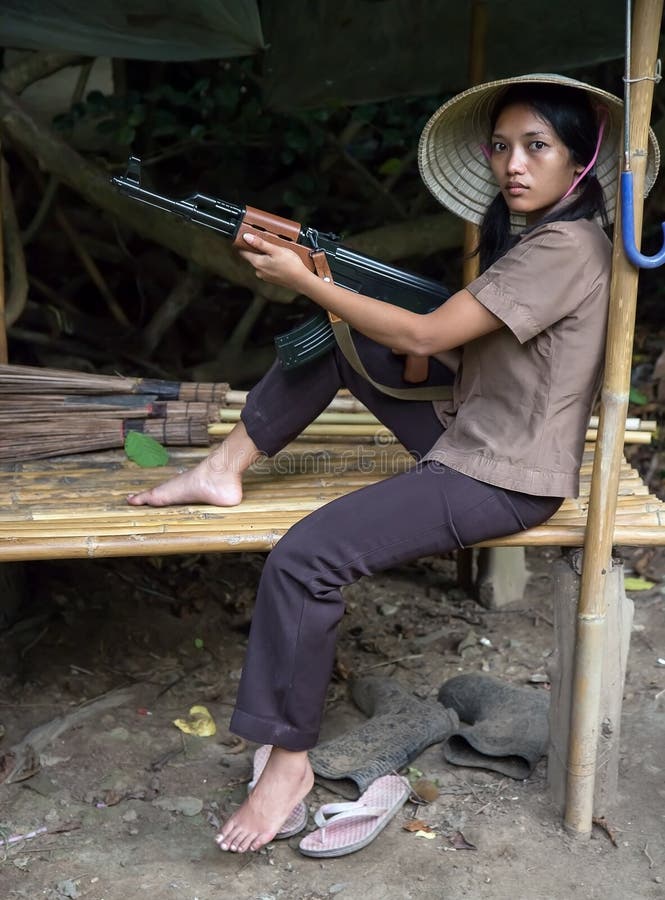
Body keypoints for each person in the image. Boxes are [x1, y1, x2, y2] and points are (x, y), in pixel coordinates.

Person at [127, 74, 659, 853]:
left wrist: (311, 282)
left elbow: (423, 336)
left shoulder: (564, 246)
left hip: (501, 475)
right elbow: (436, 343)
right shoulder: (542, 239)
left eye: (536, 147)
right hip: (470, 427)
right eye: (502, 148)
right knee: (341, 338)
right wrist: (335, 297)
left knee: (304, 559)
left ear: (579, 163)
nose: (513, 164)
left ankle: (289, 763)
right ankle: (223, 467)